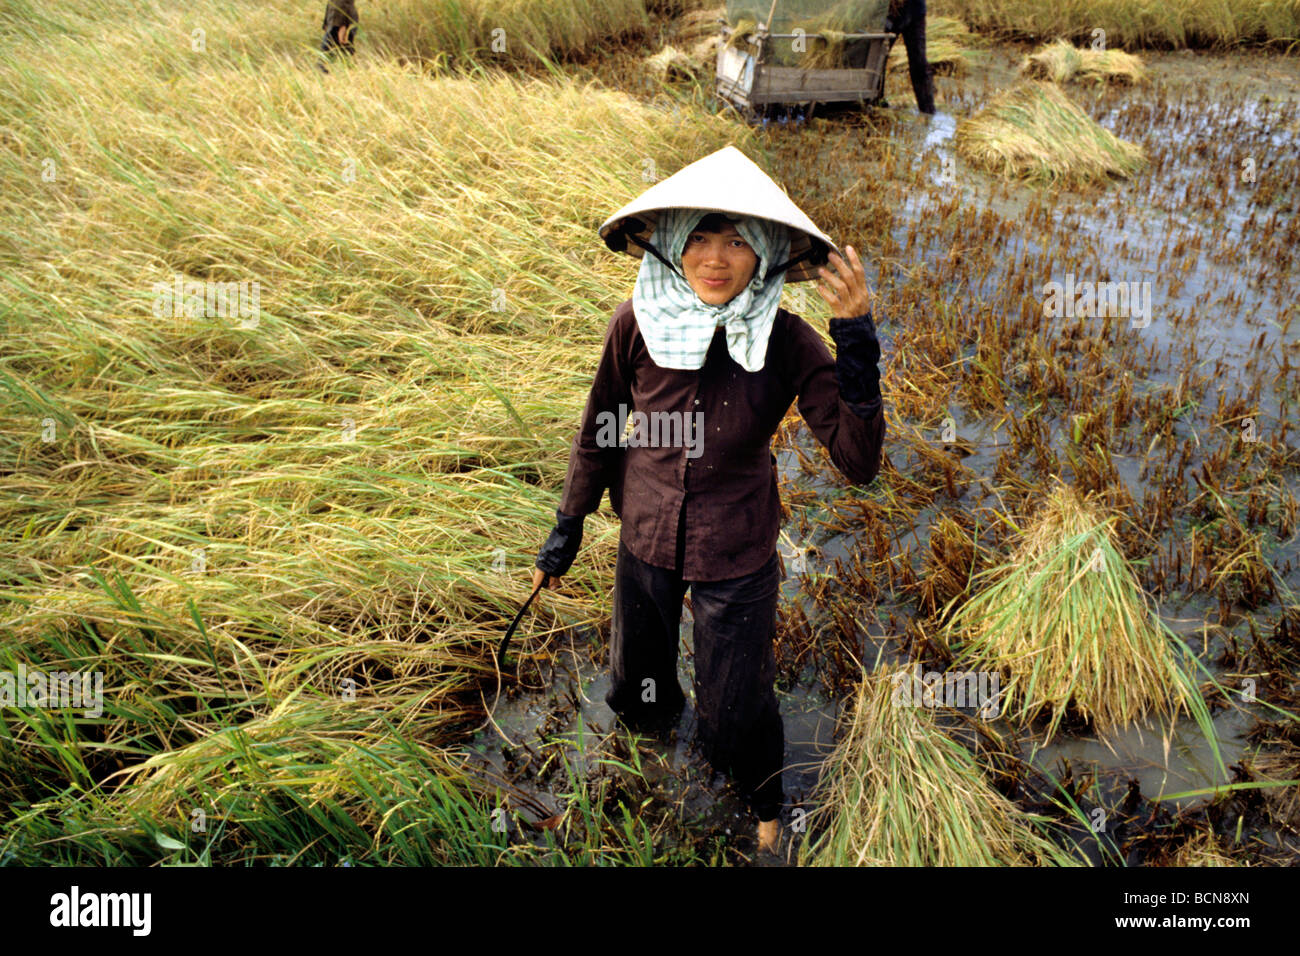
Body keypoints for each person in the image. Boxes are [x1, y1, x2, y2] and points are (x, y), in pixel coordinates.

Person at [530, 146, 886, 855]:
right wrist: (564, 531)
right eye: (697, 237)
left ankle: (762, 809)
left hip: (737, 543)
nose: (714, 259)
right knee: (637, 685)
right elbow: (599, 430)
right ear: (669, 244)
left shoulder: (788, 340)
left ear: (767, 257)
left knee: (737, 705)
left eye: (736, 242)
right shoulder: (635, 323)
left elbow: (857, 462)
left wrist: (856, 340)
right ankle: (651, 768)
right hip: (647, 534)